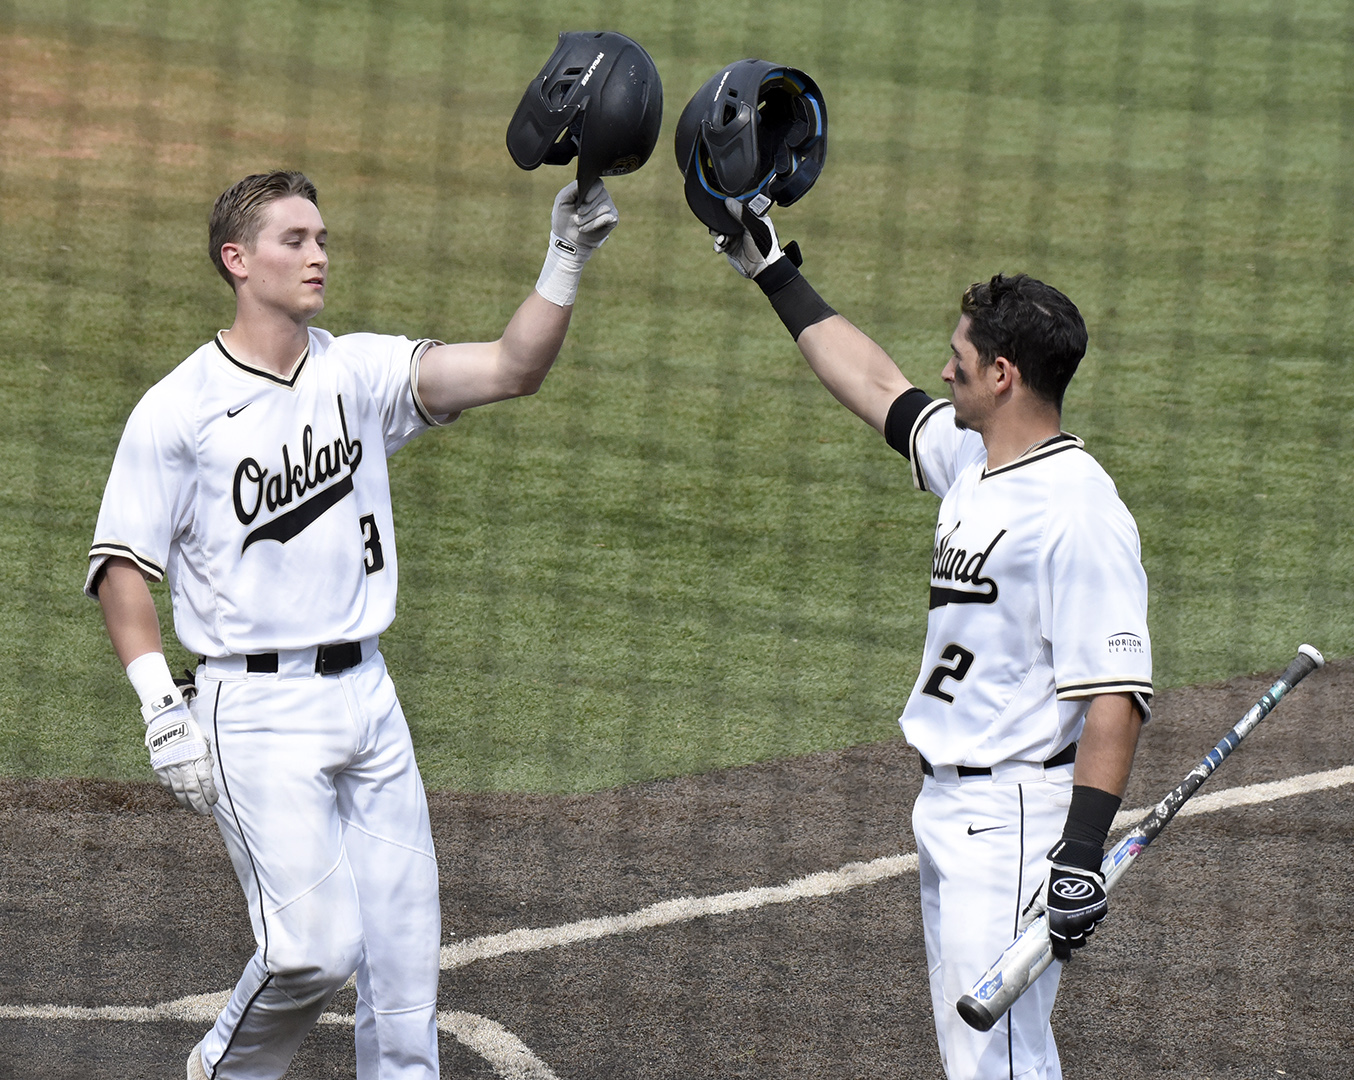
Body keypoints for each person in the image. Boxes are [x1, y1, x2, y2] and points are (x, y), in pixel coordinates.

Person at [84, 168, 617, 1080]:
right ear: (237, 260)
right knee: (310, 953)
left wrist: (565, 254)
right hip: (254, 713)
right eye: (295, 240)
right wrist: (157, 708)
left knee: (407, 970)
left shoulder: (359, 369)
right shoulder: (182, 407)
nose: (318, 255)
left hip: (369, 699)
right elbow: (122, 568)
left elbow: (511, 368)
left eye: (323, 239)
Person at [710, 204, 1153, 1079]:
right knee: (977, 1056)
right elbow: (876, 387)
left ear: (1003, 374)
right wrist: (774, 273)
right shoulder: (975, 456)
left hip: (1017, 818)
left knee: (1003, 1064)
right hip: (949, 810)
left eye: (959, 358)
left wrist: (1079, 854)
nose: (941, 367)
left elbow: (1116, 695)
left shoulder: (1077, 509)